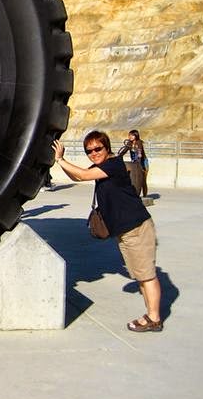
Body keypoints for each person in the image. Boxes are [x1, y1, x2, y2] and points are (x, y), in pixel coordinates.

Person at [52, 131, 163, 333]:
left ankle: (154, 318)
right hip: (126, 230)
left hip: (136, 228)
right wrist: (62, 162)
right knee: (140, 275)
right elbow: (79, 176)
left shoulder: (114, 164)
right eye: (89, 151)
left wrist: (60, 159)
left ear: (107, 147)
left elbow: (84, 175)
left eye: (97, 149)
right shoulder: (103, 166)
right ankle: (150, 314)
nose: (93, 153)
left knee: (147, 276)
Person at [128, 129, 149, 197]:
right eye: (129, 135)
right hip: (134, 163)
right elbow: (124, 150)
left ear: (136, 135)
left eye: (132, 135)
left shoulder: (139, 142)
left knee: (143, 180)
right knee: (134, 180)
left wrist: (140, 164)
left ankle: (145, 196)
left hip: (142, 162)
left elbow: (140, 153)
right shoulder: (129, 143)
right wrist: (118, 157)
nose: (130, 137)